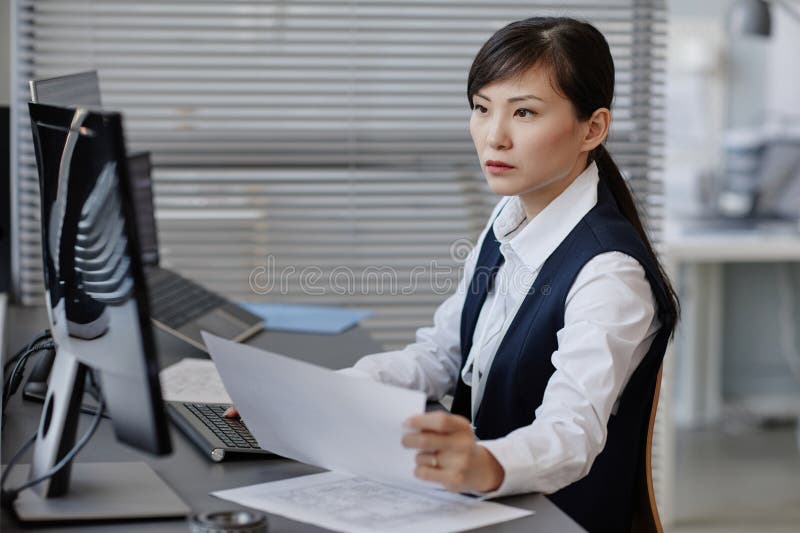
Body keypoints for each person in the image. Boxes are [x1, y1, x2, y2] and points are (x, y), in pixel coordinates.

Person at [229, 16, 679, 533]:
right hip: (472, 505)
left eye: (525, 112)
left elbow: (571, 432)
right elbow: (443, 354)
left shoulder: (610, 274)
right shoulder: (511, 216)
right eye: (482, 109)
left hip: (549, 518)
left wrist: (485, 463)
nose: (494, 137)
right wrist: (322, 394)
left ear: (593, 128)